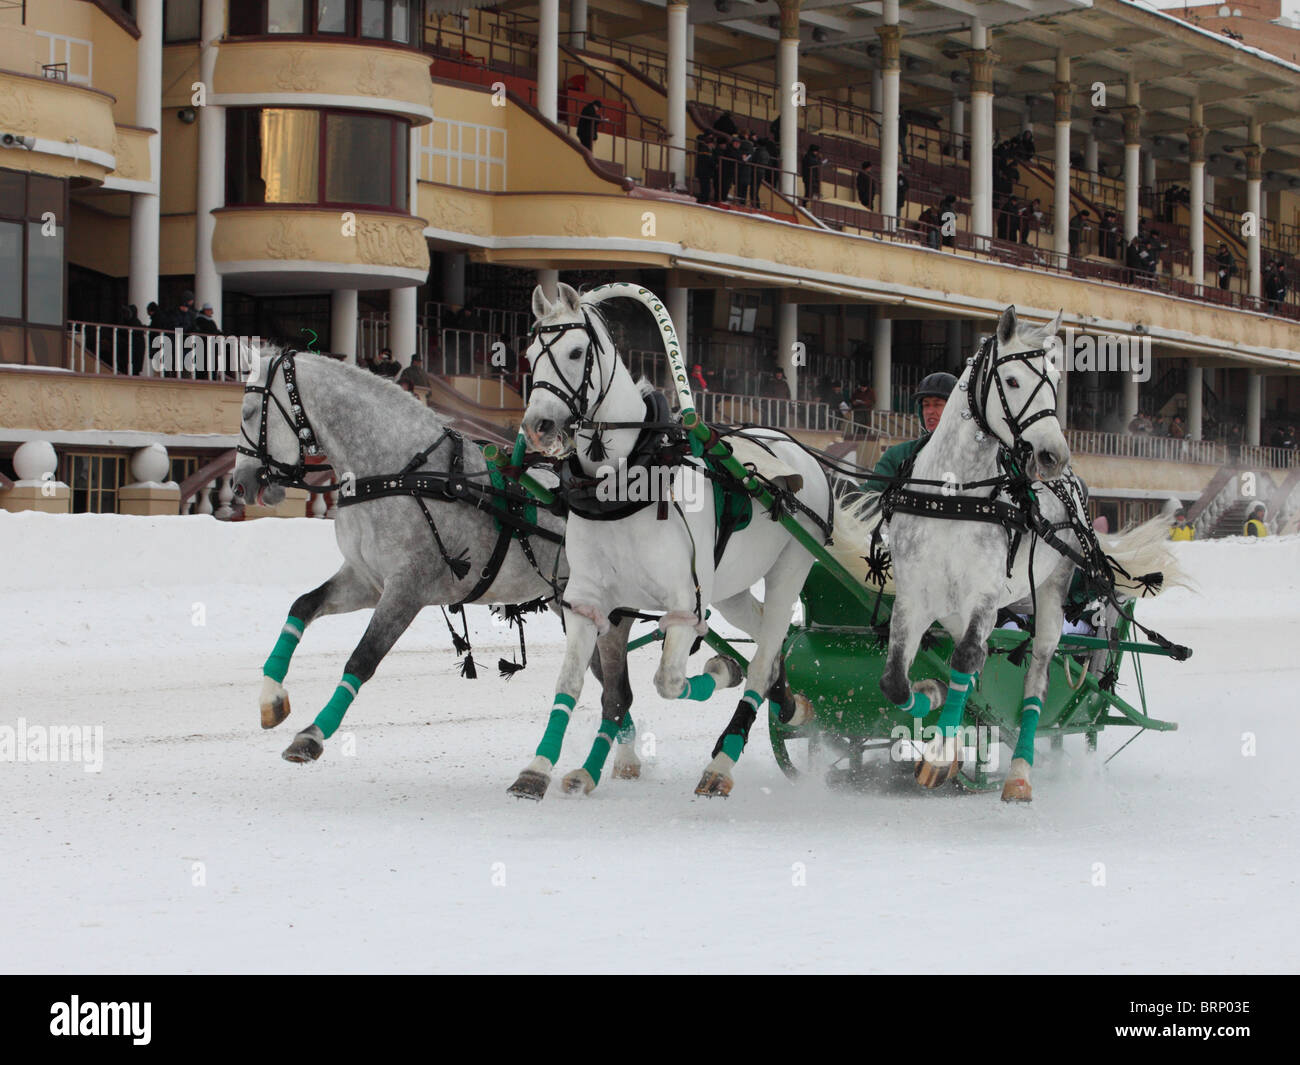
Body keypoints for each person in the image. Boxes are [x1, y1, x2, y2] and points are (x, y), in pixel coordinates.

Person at [860, 372, 957, 492]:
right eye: (926, 405)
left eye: (937, 404)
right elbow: (870, 493)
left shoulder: (973, 453)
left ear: (954, 408)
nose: (929, 411)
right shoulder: (898, 455)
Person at [695, 132, 717, 203]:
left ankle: (703, 200)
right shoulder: (705, 149)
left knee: (705, 187)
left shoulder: (705, 149)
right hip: (704, 172)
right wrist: (715, 165)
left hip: (704, 172)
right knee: (705, 188)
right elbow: (708, 160)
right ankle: (703, 201)